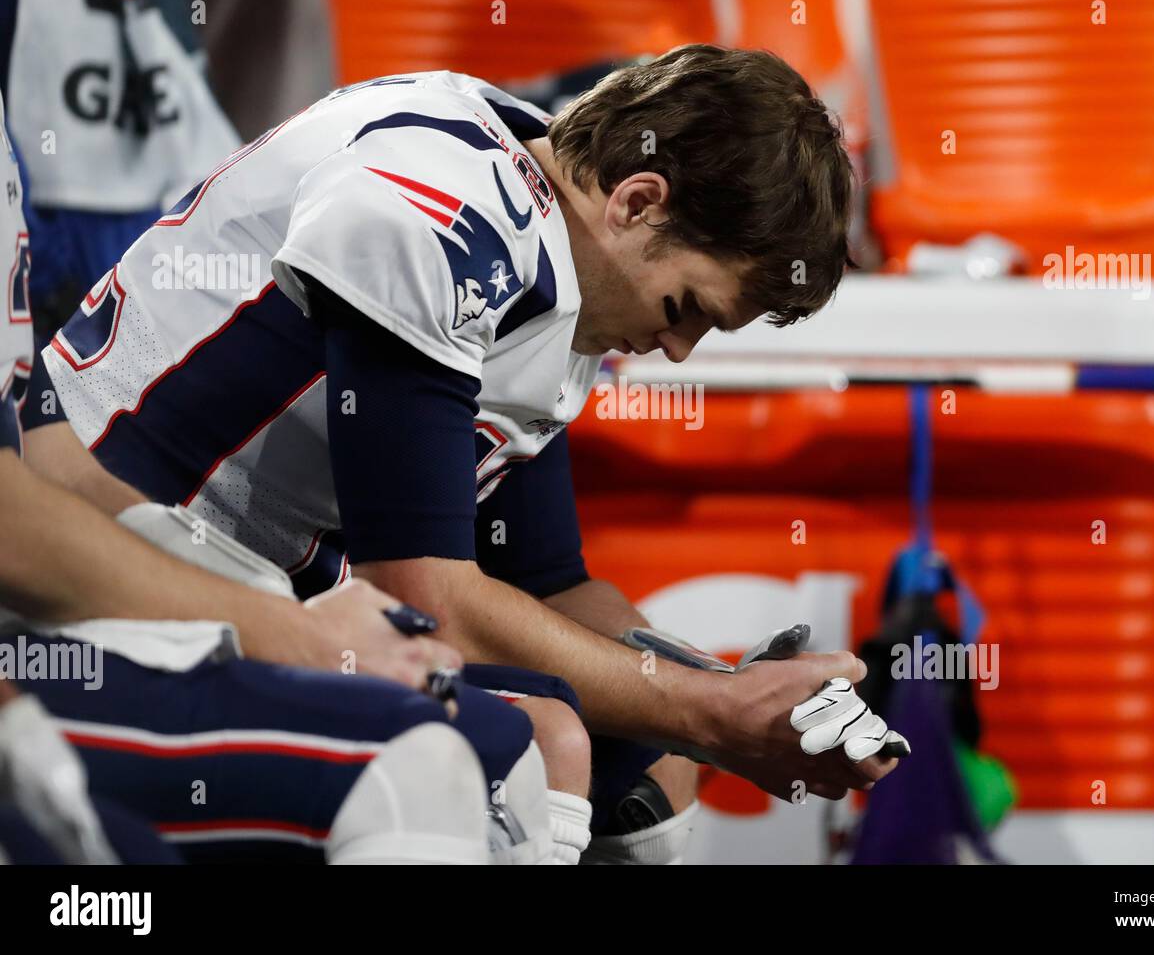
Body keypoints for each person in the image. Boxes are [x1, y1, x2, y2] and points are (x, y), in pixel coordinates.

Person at [34, 45, 899, 864]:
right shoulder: (438, 214)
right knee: (537, 743)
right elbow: (424, 595)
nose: (677, 351)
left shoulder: (559, 237)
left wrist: (726, 686)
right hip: (99, 543)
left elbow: (546, 583)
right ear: (638, 201)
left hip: (247, 573)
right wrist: (710, 713)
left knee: (656, 762)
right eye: (687, 308)